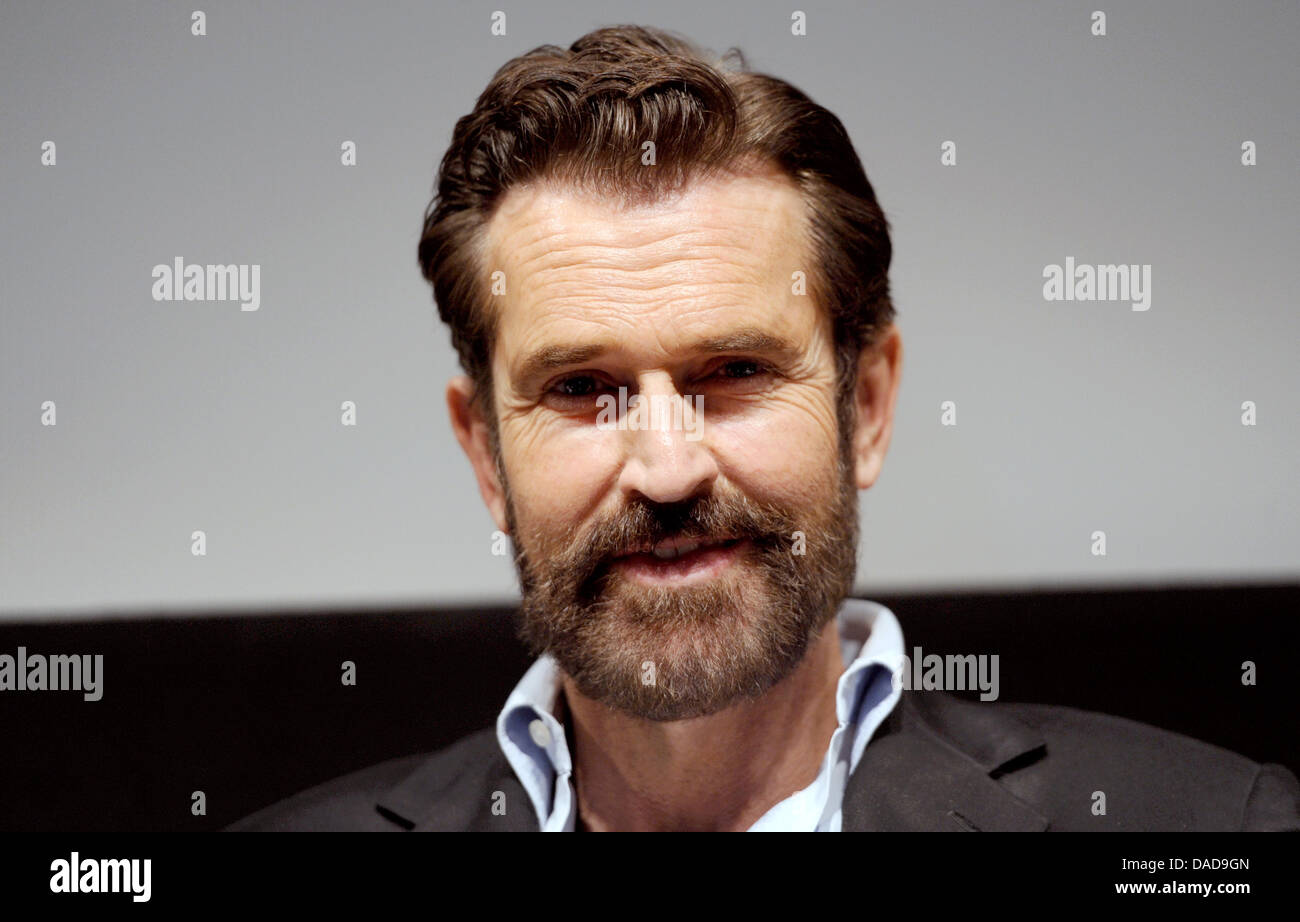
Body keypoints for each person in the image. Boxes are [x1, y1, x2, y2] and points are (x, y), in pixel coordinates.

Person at [228, 25, 1299, 832]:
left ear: (865, 406)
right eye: (581, 387)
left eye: (734, 371)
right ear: (485, 455)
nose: (665, 467)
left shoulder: (1208, 827)